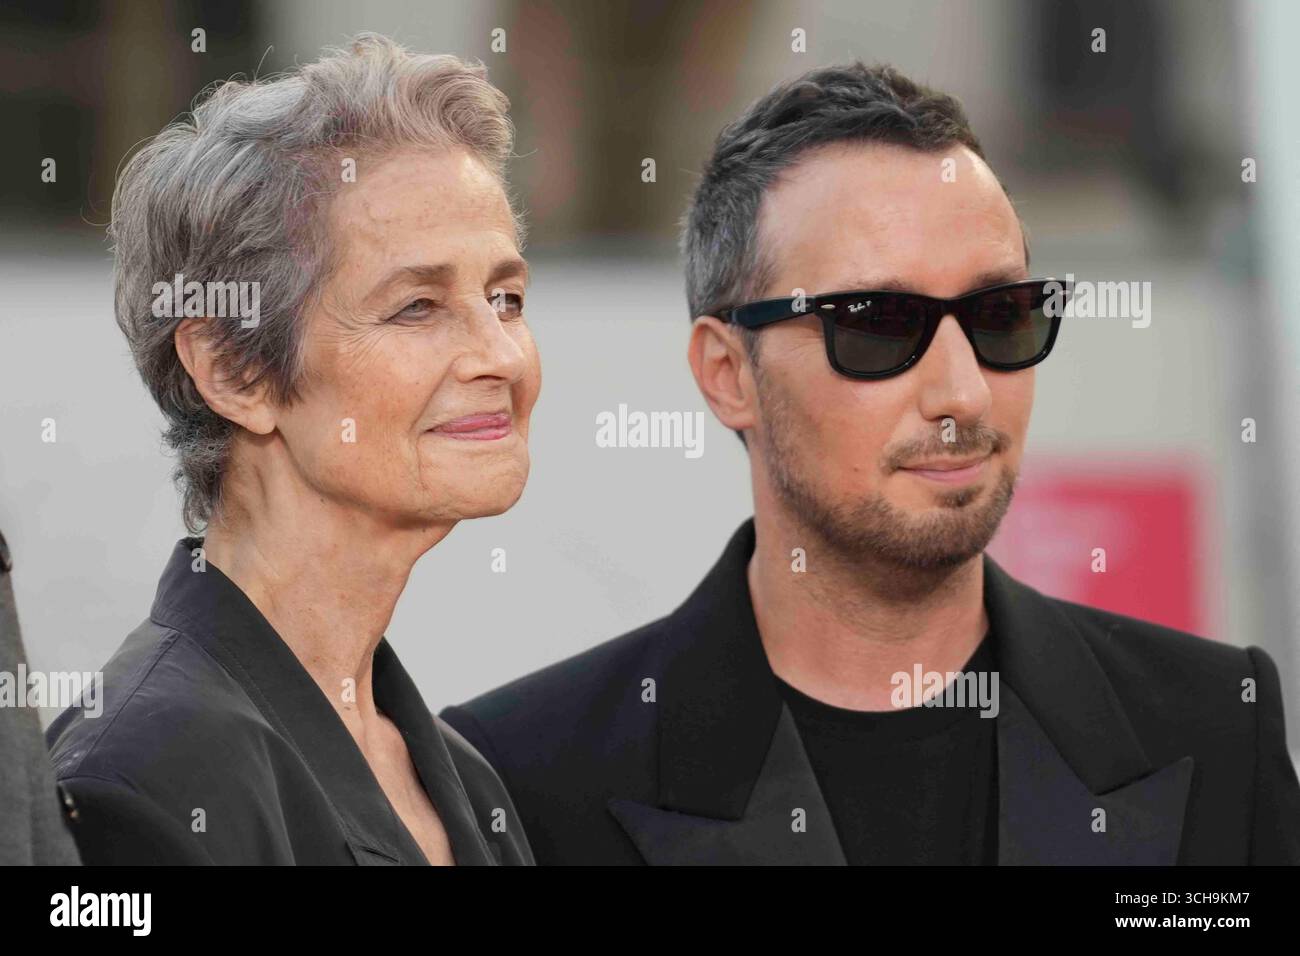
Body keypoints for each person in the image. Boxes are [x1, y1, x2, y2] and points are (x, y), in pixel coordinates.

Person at [441, 62, 1300, 865]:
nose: (962, 393)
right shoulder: (523, 784)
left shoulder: (1214, 727)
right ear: (727, 373)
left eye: (1001, 314)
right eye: (878, 324)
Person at [46, 34, 539, 866]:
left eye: (507, 297)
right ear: (236, 371)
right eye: (417, 306)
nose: (501, 355)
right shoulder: (140, 783)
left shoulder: (463, 780)